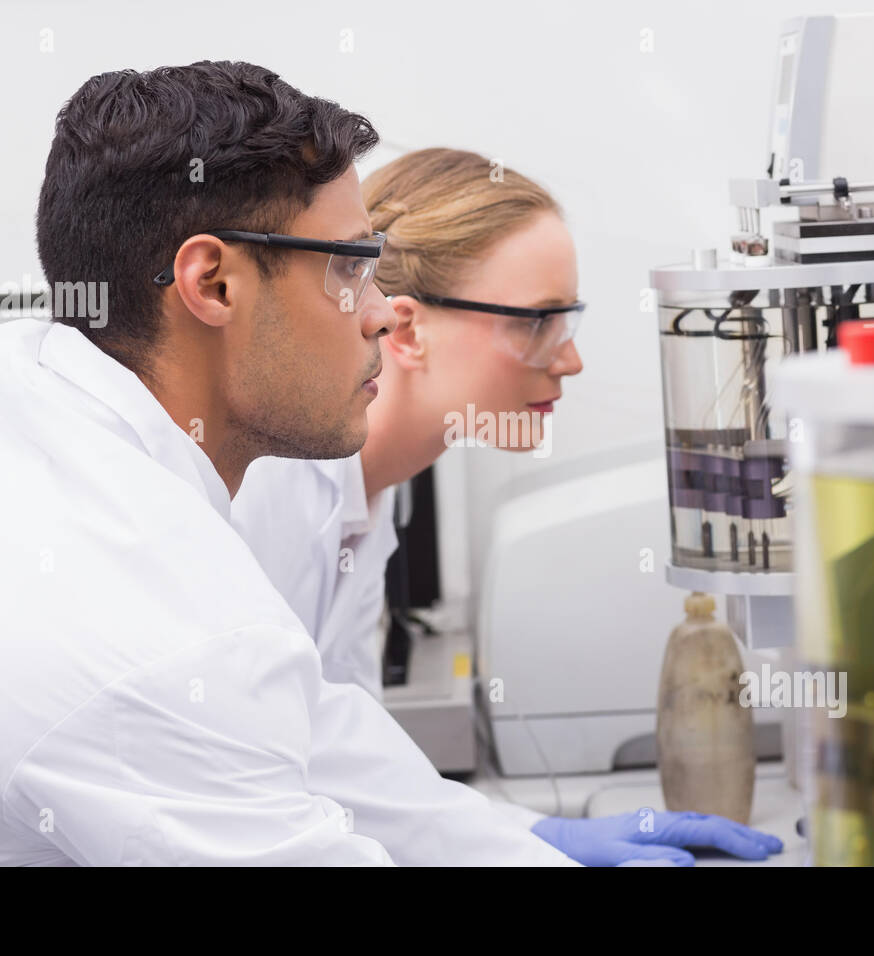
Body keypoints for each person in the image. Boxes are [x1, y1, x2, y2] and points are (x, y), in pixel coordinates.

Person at [0, 63, 577, 866]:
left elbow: (307, 727)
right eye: (347, 268)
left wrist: (524, 847)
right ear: (213, 282)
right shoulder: (162, 632)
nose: (377, 311)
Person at [231, 149, 785, 866]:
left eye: (568, 320)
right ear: (404, 331)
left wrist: (528, 837)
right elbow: (266, 776)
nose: (570, 360)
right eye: (536, 322)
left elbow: (344, 758)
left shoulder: (372, 493)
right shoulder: (274, 489)